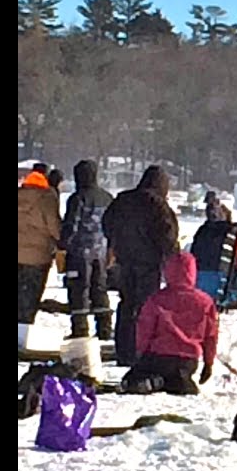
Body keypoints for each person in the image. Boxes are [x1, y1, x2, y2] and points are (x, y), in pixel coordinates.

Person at [102, 165, 179, 366]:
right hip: (149, 264)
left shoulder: (123, 199)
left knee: (126, 303)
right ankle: (139, 350)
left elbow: (107, 223)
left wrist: (117, 242)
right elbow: (168, 236)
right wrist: (172, 259)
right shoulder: (158, 205)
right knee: (145, 307)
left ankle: (123, 349)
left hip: (124, 260)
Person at [121, 252, 220, 395]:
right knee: (177, 375)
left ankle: (158, 381)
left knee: (132, 379)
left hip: (159, 356)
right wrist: (208, 362)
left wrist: (141, 351)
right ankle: (178, 381)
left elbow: (145, 328)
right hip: (188, 359)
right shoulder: (205, 302)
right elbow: (211, 335)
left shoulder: (157, 299)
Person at [60, 160, 115, 340]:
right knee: (100, 288)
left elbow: (71, 226)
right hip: (101, 252)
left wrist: (62, 245)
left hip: (79, 252)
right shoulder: (107, 197)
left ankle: (80, 329)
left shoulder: (77, 198)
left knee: (78, 289)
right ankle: (105, 328)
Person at [18, 167, 62, 328]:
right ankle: (24, 327)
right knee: (31, 294)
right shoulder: (47, 199)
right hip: (38, 257)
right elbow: (55, 228)